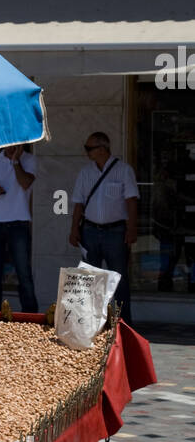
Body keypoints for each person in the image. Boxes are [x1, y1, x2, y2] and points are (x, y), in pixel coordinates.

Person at [69, 132, 139, 325]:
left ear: (102, 148)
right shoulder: (85, 172)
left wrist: (131, 228)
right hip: (90, 231)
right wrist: (74, 229)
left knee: (119, 280)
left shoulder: (124, 170)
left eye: (89, 148)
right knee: (90, 279)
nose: (86, 152)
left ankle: (123, 323)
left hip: (115, 232)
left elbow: (131, 200)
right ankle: (90, 322)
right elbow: (78, 203)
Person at [0, 143, 38, 313]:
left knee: (23, 272)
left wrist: (16, 162)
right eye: (8, 143)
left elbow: (26, 183)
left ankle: (30, 316)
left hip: (19, 222)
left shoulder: (30, 160)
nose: (11, 146)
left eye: (15, 143)